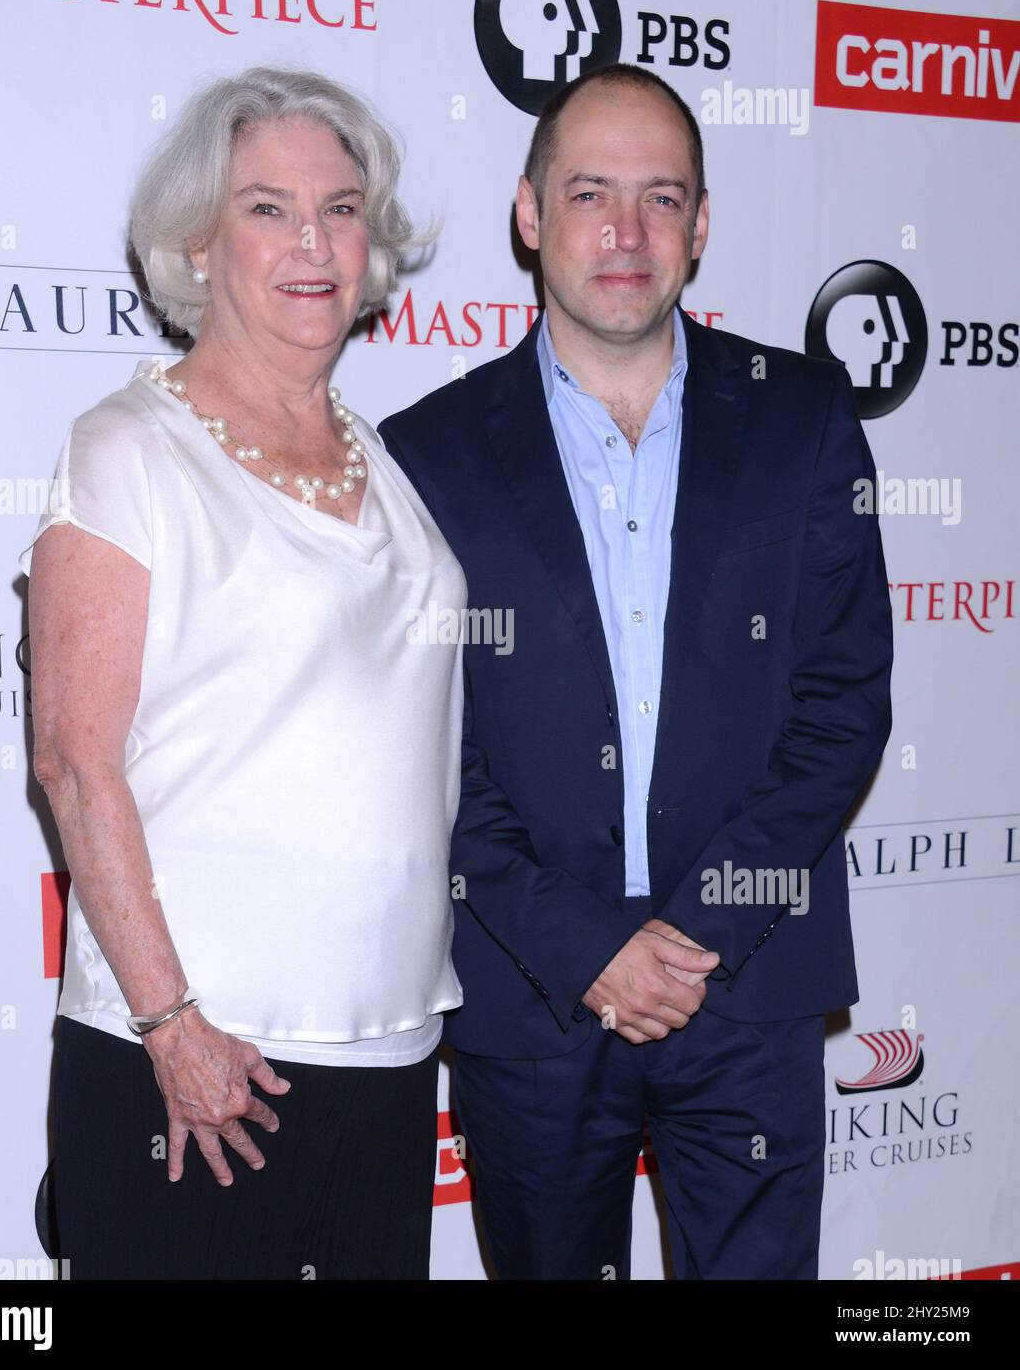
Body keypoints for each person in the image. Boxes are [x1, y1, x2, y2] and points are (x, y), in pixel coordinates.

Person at [378, 63, 893, 1280]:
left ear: (701, 226)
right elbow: (424, 753)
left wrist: (691, 933)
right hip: (535, 995)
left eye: (661, 198)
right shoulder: (425, 456)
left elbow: (842, 708)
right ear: (528, 213)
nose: (626, 232)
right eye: (590, 193)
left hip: (752, 987)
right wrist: (591, 948)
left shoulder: (806, 418)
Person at [20, 66, 465, 1280]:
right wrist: (172, 1025)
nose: (313, 241)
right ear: (199, 242)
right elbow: (73, 755)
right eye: (268, 207)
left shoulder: (387, 461)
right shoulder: (127, 452)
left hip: (385, 1051)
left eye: (340, 206)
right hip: (196, 1063)